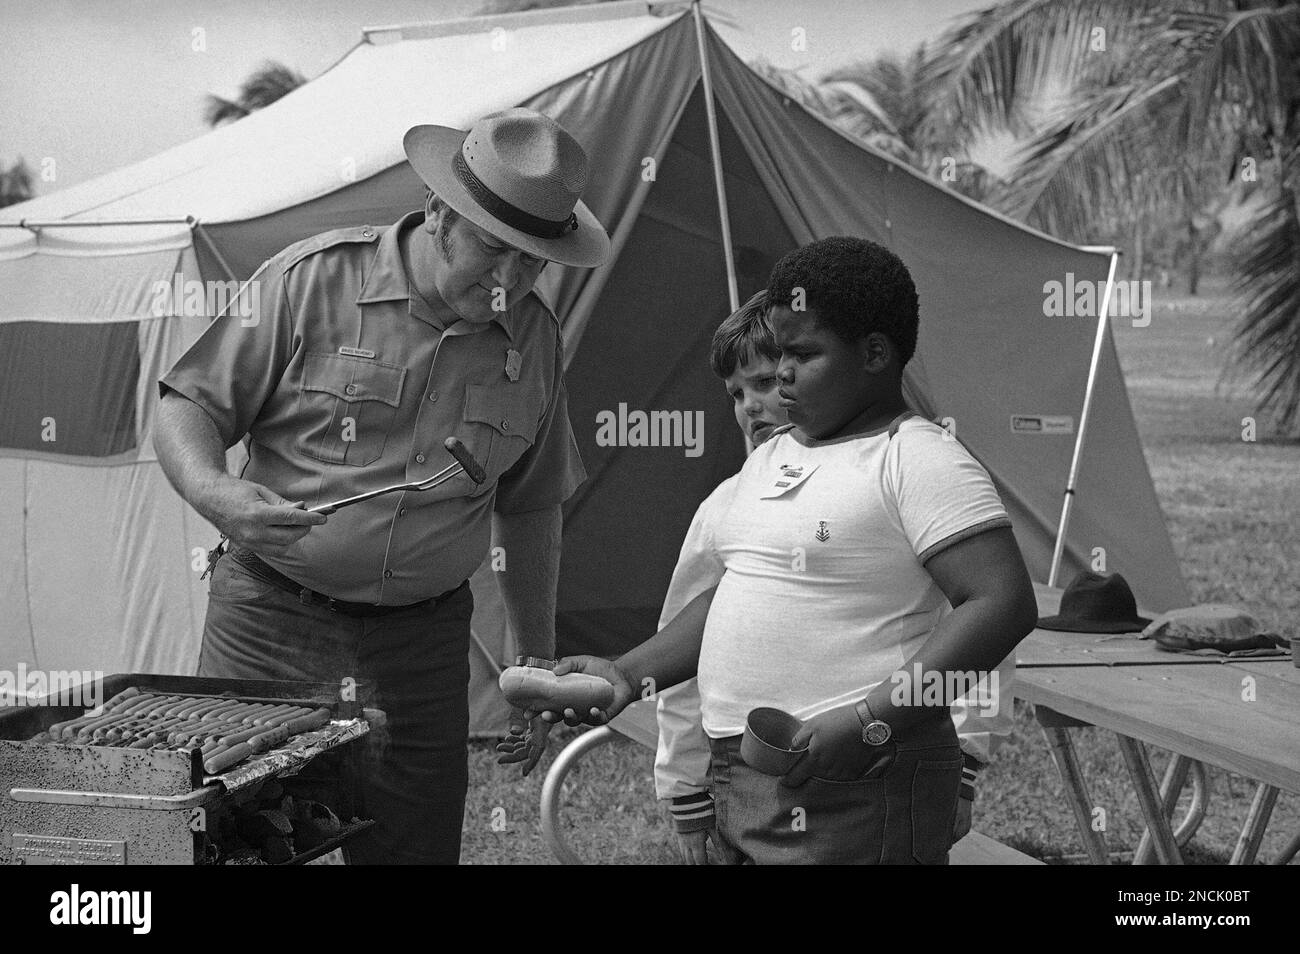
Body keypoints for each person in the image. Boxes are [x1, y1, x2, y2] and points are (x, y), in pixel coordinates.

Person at [153, 108, 609, 864]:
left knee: (413, 850)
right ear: (438, 213)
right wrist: (216, 494)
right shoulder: (312, 281)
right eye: (493, 251)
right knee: (230, 843)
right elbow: (189, 403)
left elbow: (531, 505)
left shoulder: (535, 339)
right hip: (269, 623)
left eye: (531, 262)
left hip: (423, 649)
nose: (508, 282)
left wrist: (536, 660)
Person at [552, 237, 1037, 864]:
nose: (781, 372)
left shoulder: (916, 458)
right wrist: (627, 673)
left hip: (865, 773)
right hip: (742, 770)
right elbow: (729, 598)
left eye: (803, 354)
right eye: (778, 353)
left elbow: (1000, 603)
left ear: (874, 354)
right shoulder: (770, 462)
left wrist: (872, 719)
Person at [654, 288, 1016, 863]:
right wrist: (683, 782)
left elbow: (983, 626)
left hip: (867, 768)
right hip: (736, 774)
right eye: (736, 393)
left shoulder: (907, 466)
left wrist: (966, 760)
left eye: (770, 380)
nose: (753, 404)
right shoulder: (727, 502)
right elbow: (692, 634)